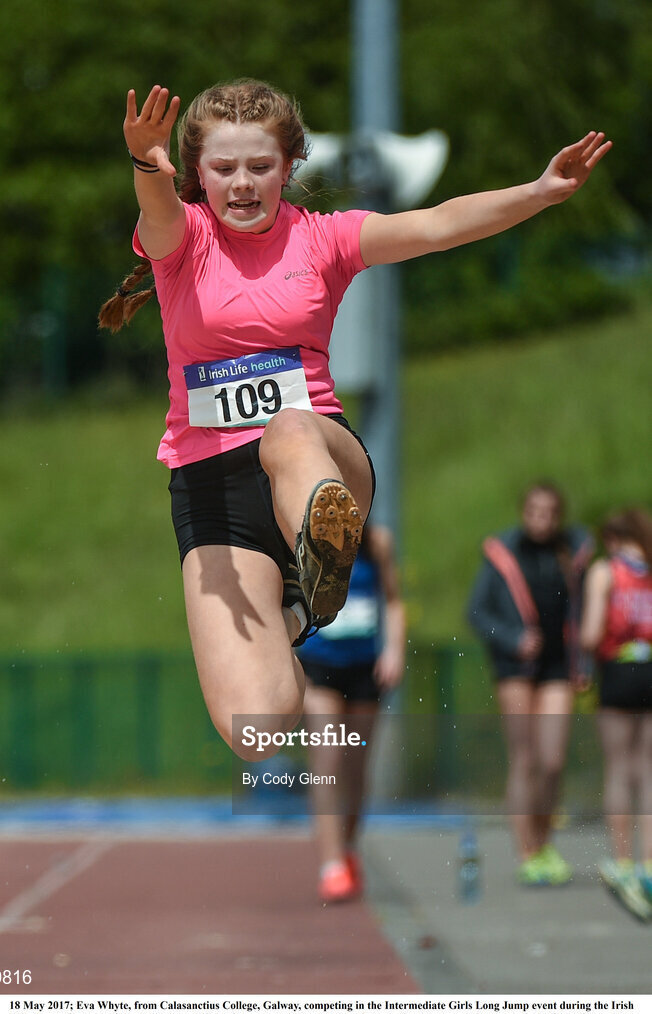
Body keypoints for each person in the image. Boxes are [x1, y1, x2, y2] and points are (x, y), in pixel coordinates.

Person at [99, 78, 610, 760]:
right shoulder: (183, 241)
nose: (243, 184)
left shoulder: (324, 240)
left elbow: (437, 225)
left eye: (260, 166)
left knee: (287, 426)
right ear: (197, 173)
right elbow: (157, 210)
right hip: (212, 487)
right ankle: (306, 608)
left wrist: (539, 191)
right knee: (256, 732)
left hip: (319, 456)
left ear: (289, 166)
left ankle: (323, 541)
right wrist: (143, 163)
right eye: (224, 169)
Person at [466, 482, 594, 885]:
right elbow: (477, 611)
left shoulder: (574, 553)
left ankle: (544, 841)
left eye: (550, 512)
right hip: (516, 669)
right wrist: (512, 638)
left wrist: (585, 659)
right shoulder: (503, 551)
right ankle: (526, 852)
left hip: (558, 665)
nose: (542, 519)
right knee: (526, 758)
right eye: (535, 511)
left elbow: (587, 609)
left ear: (559, 515)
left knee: (552, 761)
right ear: (525, 512)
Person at [296, 523, 406, 903]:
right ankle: (330, 864)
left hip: (364, 669)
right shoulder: (308, 536)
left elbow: (392, 599)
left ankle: (346, 847)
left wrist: (394, 650)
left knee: (356, 766)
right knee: (326, 762)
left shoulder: (377, 541)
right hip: (320, 666)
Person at [580, 508, 652, 923]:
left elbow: (591, 632)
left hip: (620, 674)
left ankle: (622, 861)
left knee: (619, 770)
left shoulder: (607, 571)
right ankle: (648, 864)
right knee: (648, 770)